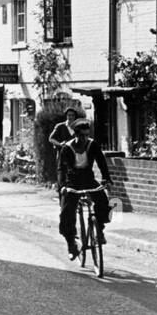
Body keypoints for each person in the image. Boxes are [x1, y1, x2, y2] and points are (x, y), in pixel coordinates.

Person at [57, 117, 111, 259]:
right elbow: (61, 169)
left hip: (88, 179)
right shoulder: (67, 148)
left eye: (87, 135)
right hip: (72, 182)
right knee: (67, 212)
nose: (85, 138)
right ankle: (71, 244)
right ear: (75, 135)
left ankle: (99, 228)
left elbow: (101, 162)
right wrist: (63, 186)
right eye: (82, 135)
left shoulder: (92, 145)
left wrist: (106, 178)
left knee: (104, 201)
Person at [48, 107, 81, 193]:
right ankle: (62, 198)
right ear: (66, 116)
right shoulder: (60, 126)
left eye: (72, 115)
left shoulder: (78, 127)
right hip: (62, 155)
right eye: (69, 115)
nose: (70, 117)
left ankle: (75, 197)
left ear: (75, 117)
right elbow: (51, 138)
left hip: (75, 155)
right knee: (62, 175)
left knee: (75, 175)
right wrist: (59, 144)